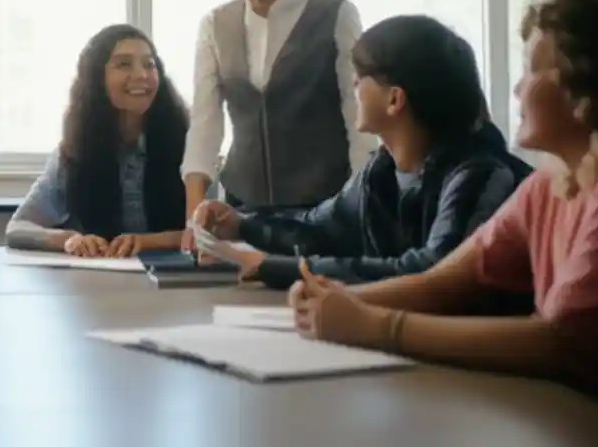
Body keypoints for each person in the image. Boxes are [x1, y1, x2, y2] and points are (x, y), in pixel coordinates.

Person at [289, 0, 598, 420]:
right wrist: (339, 301)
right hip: (567, 417)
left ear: (593, 85)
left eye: (534, 69)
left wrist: (378, 326)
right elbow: (446, 281)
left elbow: (560, 342)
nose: (519, 87)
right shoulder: (549, 184)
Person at [193, 16, 531, 288]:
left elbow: (432, 271)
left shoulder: (483, 173)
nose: (353, 86)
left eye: (360, 78)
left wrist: (284, 269)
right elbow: (319, 231)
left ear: (394, 99)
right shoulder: (380, 172)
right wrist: (241, 225)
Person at [181, 0, 376, 249]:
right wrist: (195, 219)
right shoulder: (215, 24)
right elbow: (205, 126)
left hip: (323, 208)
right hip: (241, 210)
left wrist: (361, 206)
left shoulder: (336, 14)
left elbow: (359, 119)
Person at [6, 24, 190, 257]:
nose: (142, 75)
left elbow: (211, 233)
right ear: (97, 78)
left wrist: (147, 242)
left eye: (149, 64)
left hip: (172, 284)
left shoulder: (188, 145)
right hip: (95, 284)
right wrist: (69, 239)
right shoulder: (74, 152)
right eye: (124, 64)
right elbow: (17, 228)